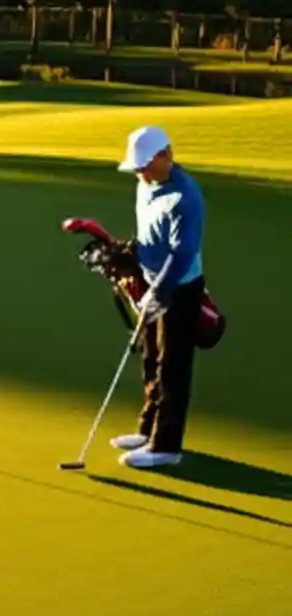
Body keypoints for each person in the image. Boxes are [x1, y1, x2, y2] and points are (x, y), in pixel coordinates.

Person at [109, 125, 207, 469]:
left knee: (172, 367)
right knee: (151, 358)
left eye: (144, 165)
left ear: (165, 156)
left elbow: (182, 254)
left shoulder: (186, 197)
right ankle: (149, 429)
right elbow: (148, 235)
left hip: (179, 289)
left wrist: (160, 293)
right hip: (151, 283)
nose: (139, 172)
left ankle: (166, 446)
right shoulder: (145, 184)